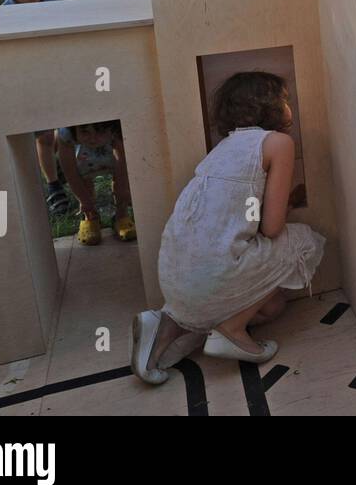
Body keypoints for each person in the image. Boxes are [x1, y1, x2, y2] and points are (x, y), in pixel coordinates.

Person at [130, 72, 325, 383]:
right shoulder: (278, 143)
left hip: (174, 277)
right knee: (306, 241)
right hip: (212, 273)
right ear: (272, 106)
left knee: (272, 308)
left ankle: (166, 326)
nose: (290, 106)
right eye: (286, 99)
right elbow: (272, 228)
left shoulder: (223, 150)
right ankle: (230, 331)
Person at [0, 0, 68, 209]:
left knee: (63, 132)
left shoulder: (53, 3)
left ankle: (63, 169)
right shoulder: (4, 14)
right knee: (44, 136)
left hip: (54, 76)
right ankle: (53, 184)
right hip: (27, 81)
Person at [58, 120, 136, 245]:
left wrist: (122, 190)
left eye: (100, 132)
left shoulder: (117, 129)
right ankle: (90, 216)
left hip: (111, 156)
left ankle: (121, 215)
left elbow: (122, 164)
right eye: (85, 132)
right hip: (82, 160)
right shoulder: (66, 134)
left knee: (122, 190)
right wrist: (84, 200)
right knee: (85, 186)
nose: (93, 139)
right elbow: (70, 172)